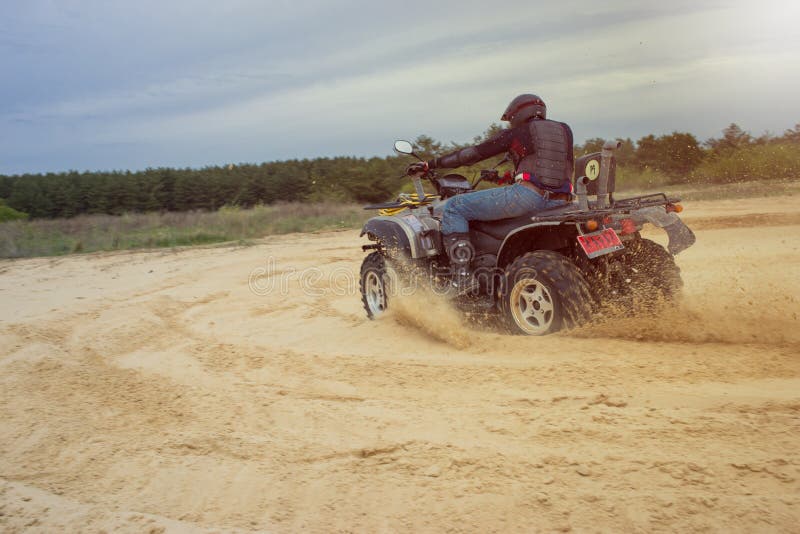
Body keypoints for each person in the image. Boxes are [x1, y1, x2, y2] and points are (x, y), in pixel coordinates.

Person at [407, 94, 574, 292]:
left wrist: (431, 164)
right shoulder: (564, 130)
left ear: (517, 115)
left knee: (455, 206)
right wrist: (501, 178)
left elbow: (471, 154)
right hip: (561, 202)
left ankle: (461, 277)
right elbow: (549, 170)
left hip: (528, 198)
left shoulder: (518, 132)